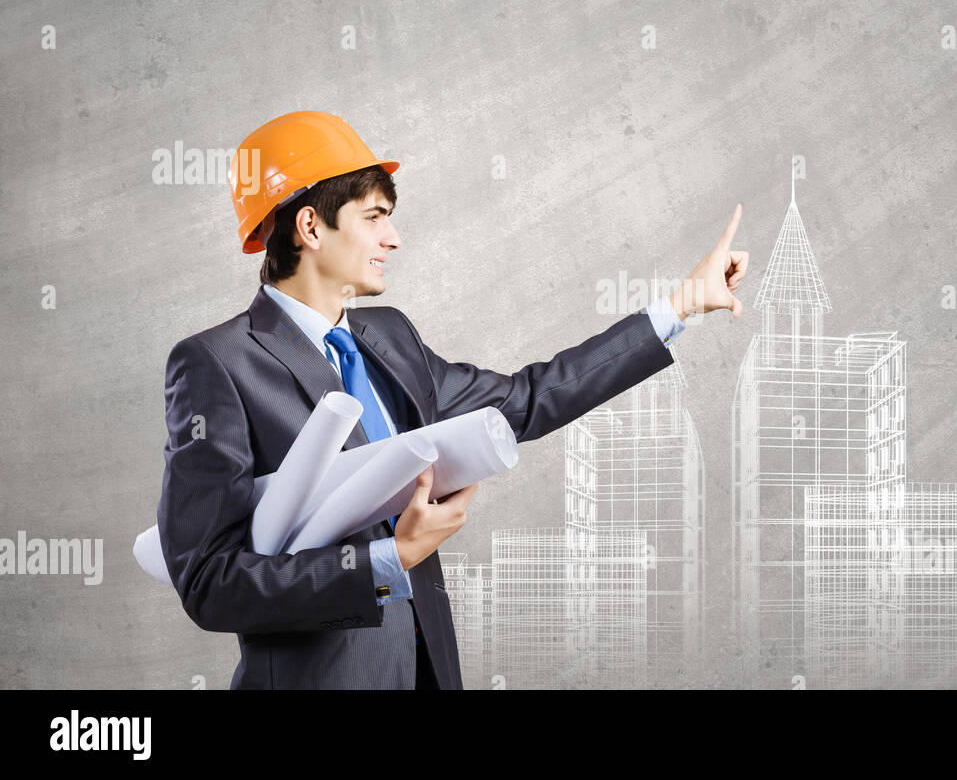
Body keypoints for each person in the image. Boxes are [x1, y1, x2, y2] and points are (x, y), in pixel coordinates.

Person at [157, 111, 749, 689]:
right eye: (374, 218)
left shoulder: (388, 336)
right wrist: (391, 556)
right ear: (311, 227)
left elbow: (529, 398)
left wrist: (680, 307)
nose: (394, 237)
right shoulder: (217, 364)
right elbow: (210, 582)